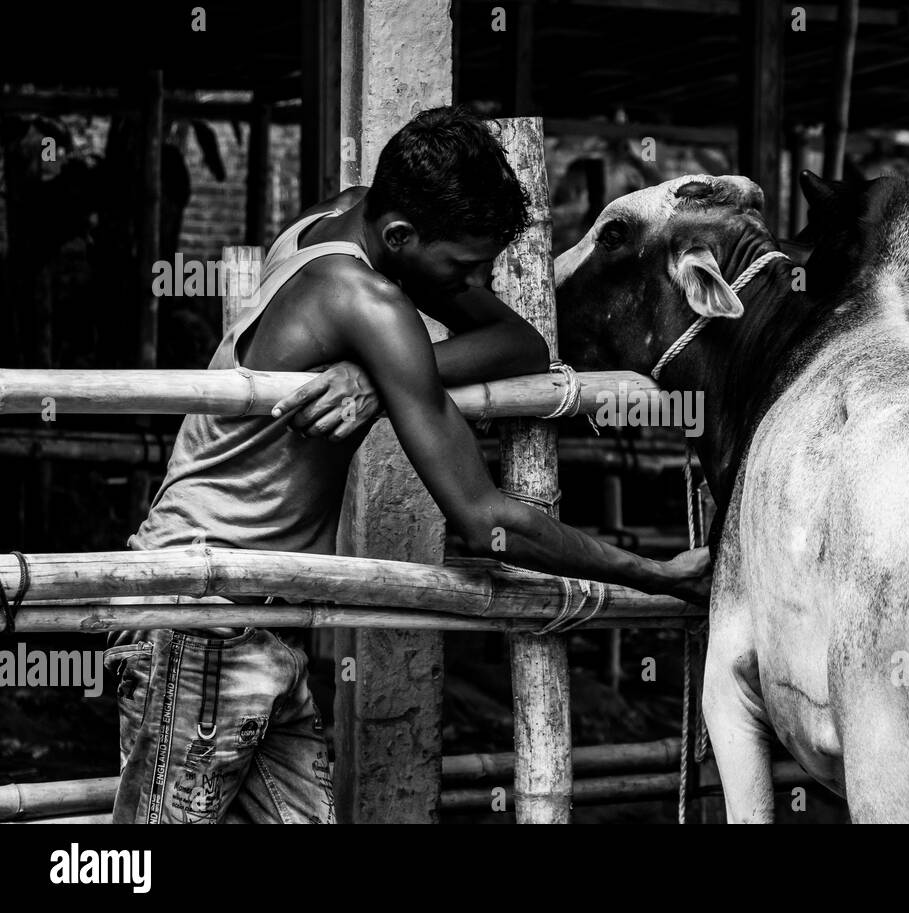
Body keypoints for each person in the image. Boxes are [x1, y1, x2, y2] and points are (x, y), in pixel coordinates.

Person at [105, 106, 712, 824]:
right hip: (203, 621)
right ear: (401, 238)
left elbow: (519, 344)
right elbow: (485, 520)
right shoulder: (370, 302)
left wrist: (384, 378)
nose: (473, 283)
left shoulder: (335, 222)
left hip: (255, 621)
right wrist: (651, 571)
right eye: (461, 267)